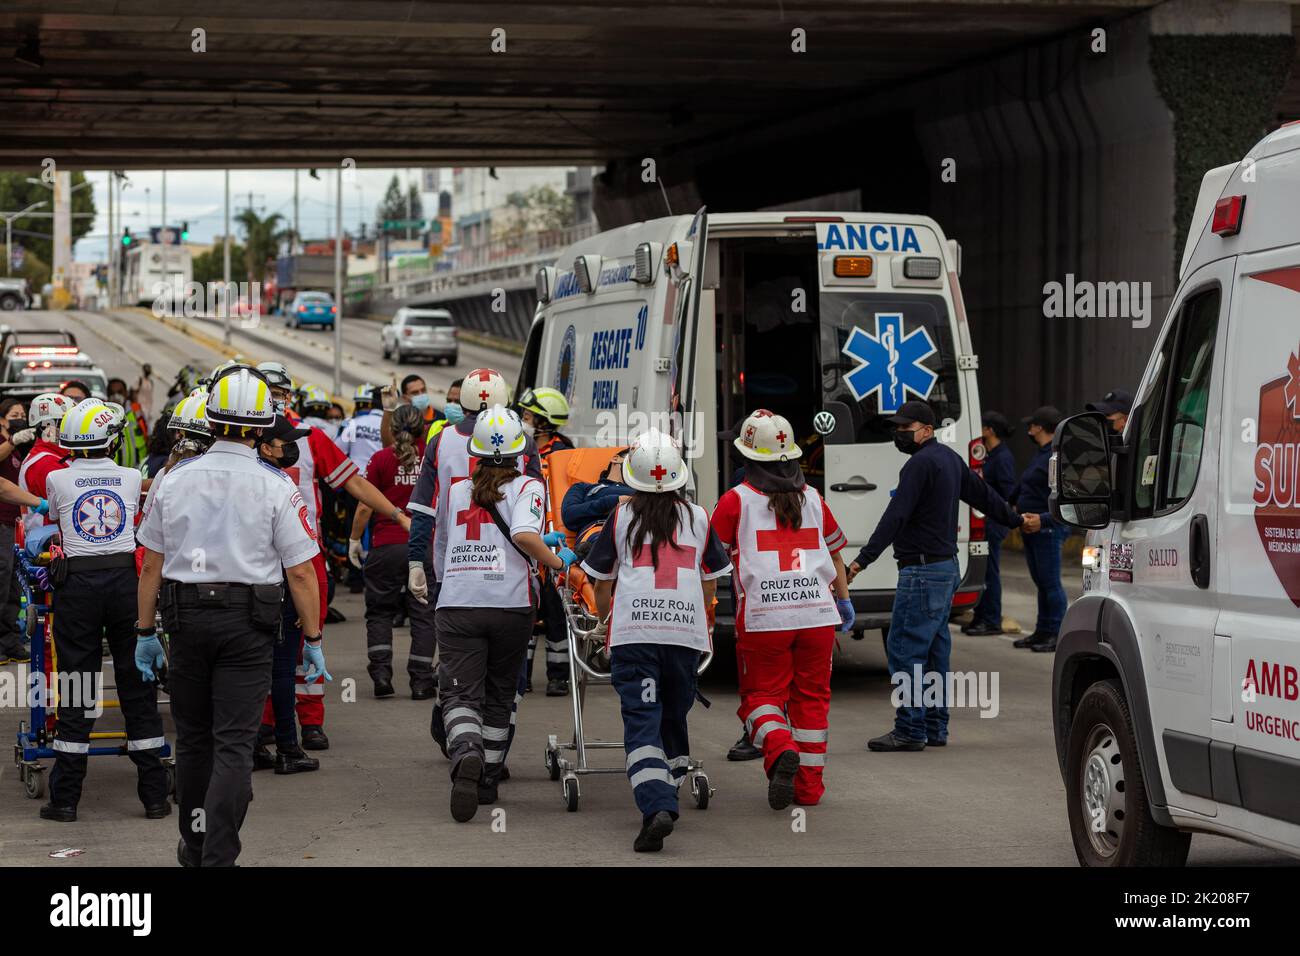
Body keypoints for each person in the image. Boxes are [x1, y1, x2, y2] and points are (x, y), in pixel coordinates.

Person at [136, 365, 324, 867]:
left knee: (194, 741)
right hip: (249, 626)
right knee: (235, 746)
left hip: (186, 620)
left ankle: (194, 843)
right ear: (263, 428)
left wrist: (143, 632)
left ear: (211, 421)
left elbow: (151, 564)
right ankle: (219, 854)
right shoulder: (276, 486)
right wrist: (312, 637)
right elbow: (301, 573)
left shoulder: (172, 480)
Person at [847, 401, 1034, 751]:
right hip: (946, 568)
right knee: (933, 653)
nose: (898, 434)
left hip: (920, 572)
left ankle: (909, 730)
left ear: (927, 430)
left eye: (905, 428)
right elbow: (985, 497)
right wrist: (1017, 521)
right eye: (896, 428)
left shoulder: (919, 465)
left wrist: (861, 561)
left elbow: (896, 516)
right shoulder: (949, 460)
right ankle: (935, 727)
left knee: (904, 650)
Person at [582, 431, 731, 852]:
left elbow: (602, 583)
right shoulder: (699, 517)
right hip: (685, 636)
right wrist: (703, 622)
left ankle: (657, 804)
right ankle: (673, 779)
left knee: (642, 722)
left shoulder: (622, 518)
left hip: (635, 635)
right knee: (673, 715)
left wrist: (601, 621)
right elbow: (708, 585)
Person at [428, 405, 574, 821]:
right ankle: (488, 776)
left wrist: (445, 583)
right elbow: (525, 534)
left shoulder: (456, 489)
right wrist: (557, 561)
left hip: (458, 602)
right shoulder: (530, 485)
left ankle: (466, 752)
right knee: (500, 692)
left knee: (458, 692)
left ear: (474, 452)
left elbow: (440, 544)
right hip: (511, 604)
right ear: (519, 451)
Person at [256, 362, 408, 751]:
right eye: (269, 392)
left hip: (305, 557)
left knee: (310, 640)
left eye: (282, 393)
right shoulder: (241, 437)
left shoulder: (308, 437)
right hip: (254, 560)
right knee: (260, 645)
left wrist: (394, 513)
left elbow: (355, 482)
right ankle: (267, 721)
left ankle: (310, 722)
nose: (277, 399)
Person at [710, 410, 854, 809]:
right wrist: (843, 600)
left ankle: (778, 743)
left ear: (747, 458)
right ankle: (808, 790)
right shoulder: (813, 498)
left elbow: (707, 562)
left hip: (764, 619)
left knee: (759, 698)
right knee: (812, 700)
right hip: (819, 616)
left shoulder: (734, 501)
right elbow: (836, 556)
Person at [40, 398, 169, 824]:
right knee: (137, 684)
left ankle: (65, 801)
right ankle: (154, 797)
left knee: (77, 684)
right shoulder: (132, 477)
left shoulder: (57, 479)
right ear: (111, 440)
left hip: (76, 586)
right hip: (123, 584)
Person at [407, 368, 541, 761]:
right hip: (511, 587)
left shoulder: (440, 440)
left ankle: (462, 738)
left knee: (461, 671)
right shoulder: (524, 443)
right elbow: (533, 522)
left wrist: (419, 561)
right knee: (505, 683)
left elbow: (425, 512)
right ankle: (493, 764)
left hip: (458, 579)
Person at [350, 403, 435, 699]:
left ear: (391, 429)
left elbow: (364, 505)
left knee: (380, 613)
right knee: (424, 614)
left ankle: (382, 675)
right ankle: (422, 680)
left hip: (385, 547)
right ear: (423, 428)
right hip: (423, 547)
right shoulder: (432, 458)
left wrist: (354, 539)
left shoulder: (381, 459)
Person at [516, 386, 576, 696]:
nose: (522, 419)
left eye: (527, 415)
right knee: (526, 610)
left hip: (554, 536)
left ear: (543, 422)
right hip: (528, 532)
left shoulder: (563, 453)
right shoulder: (521, 449)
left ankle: (558, 675)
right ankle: (521, 675)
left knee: (556, 610)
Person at [1012, 405, 1069, 654]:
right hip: (1031, 527)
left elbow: (1064, 498)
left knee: (1050, 583)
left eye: (1032, 424)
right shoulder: (1042, 454)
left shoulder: (1055, 457)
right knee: (1041, 583)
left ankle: (1056, 633)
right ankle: (1042, 630)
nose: (1028, 429)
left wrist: (1044, 520)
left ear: (1040, 427)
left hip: (1046, 528)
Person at [963, 410, 1017, 636]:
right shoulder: (989, 455)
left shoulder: (1002, 457)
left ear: (990, 430)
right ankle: (980, 616)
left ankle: (992, 619)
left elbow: (1007, 491)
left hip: (995, 521)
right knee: (982, 571)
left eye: (982, 426)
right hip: (985, 519)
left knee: (990, 572)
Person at [18, 393, 78, 539]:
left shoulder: (55, 456)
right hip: (51, 543)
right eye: (66, 424)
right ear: (48, 427)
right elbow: (72, 507)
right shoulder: (46, 464)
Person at [0, 400, 31, 663]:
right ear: (2, 418)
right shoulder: (5, 442)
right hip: (0, 520)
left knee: (11, 586)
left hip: (12, 521)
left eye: (23, 414)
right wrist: (11, 441)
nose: (20, 418)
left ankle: (10, 642)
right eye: (14, 415)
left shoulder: (18, 446)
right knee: (1, 581)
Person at [561, 449, 635, 540]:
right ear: (616, 459)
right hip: (598, 534)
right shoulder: (582, 488)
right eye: (635, 459)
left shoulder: (644, 491)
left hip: (636, 532)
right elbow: (570, 516)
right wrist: (614, 501)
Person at [107, 376, 149, 469]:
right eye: (112, 393)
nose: (116, 396)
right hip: (114, 471)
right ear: (108, 395)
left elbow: (147, 436)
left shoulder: (137, 411)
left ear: (126, 393)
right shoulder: (104, 415)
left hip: (138, 469)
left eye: (119, 392)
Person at [425, 378, 463, 443]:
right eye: (449, 401)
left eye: (457, 402)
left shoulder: (477, 431)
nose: (451, 405)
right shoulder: (436, 426)